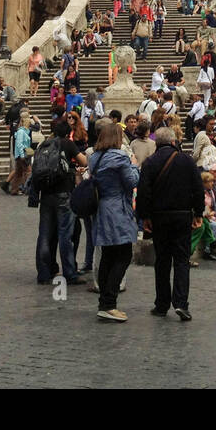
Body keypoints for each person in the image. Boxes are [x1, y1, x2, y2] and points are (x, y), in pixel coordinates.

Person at [135, 127, 202, 321]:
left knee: (162, 261)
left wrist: (144, 217)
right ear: (173, 142)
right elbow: (197, 188)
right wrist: (198, 213)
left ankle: (162, 304)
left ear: (156, 143)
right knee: (181, 260)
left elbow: (143, 191)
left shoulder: (150, 162)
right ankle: (181, 303)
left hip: (159, 216)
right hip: (182, 216)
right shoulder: (186, 160)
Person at [90, 120, 141, 322]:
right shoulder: (119, 157)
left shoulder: (95, 157)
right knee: (123, 254)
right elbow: (132, 181)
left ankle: (104, 301)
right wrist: (135, 166)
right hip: (118, 208)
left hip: (103, 207)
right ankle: (109, 303)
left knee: (108, 255)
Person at [31, 117, 88, 286]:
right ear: (67, 131)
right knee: (65, 235)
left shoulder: (43, 145)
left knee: (45, 235)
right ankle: (69, 273)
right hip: (64, 194)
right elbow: (84, 161)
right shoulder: (67, 144)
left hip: (46, 195)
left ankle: (43, 273)